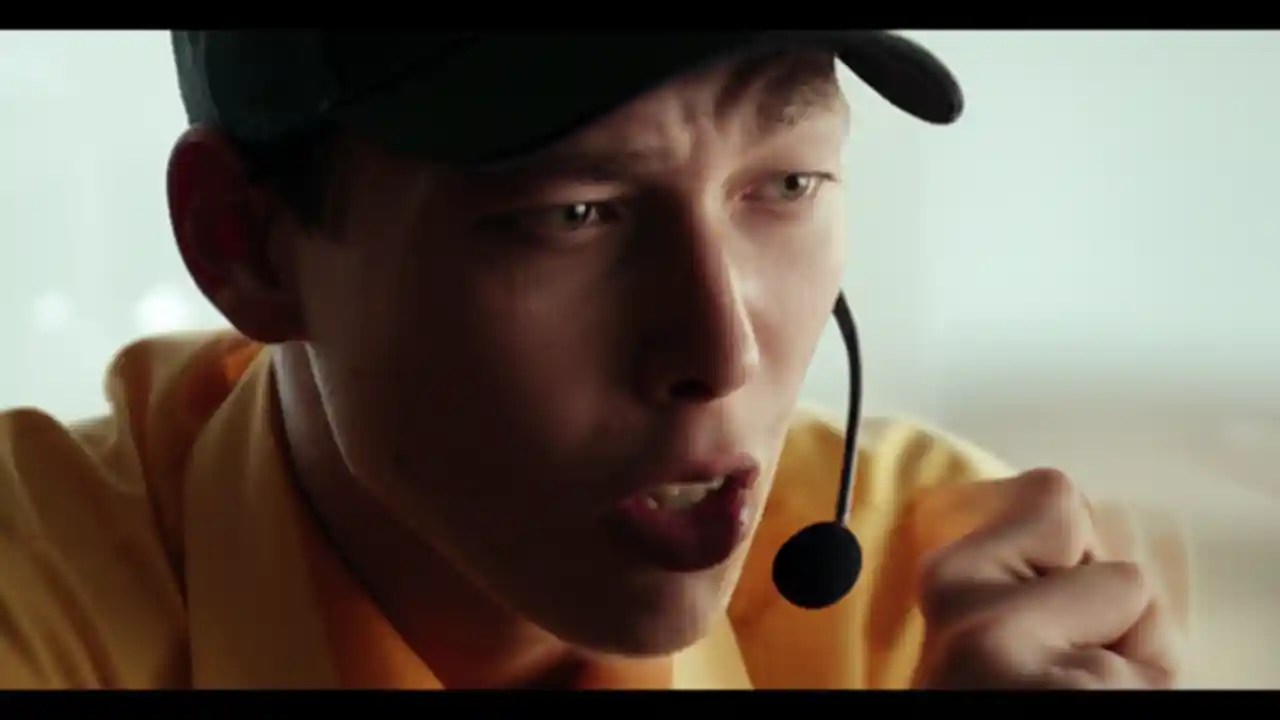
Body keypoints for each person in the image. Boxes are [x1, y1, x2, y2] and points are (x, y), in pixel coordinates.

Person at [0, 31, 1190, 689]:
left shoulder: (918, 586)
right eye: (572, 215)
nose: (718, 355)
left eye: (783, 184)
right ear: (243, 246)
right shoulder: (39, 602)